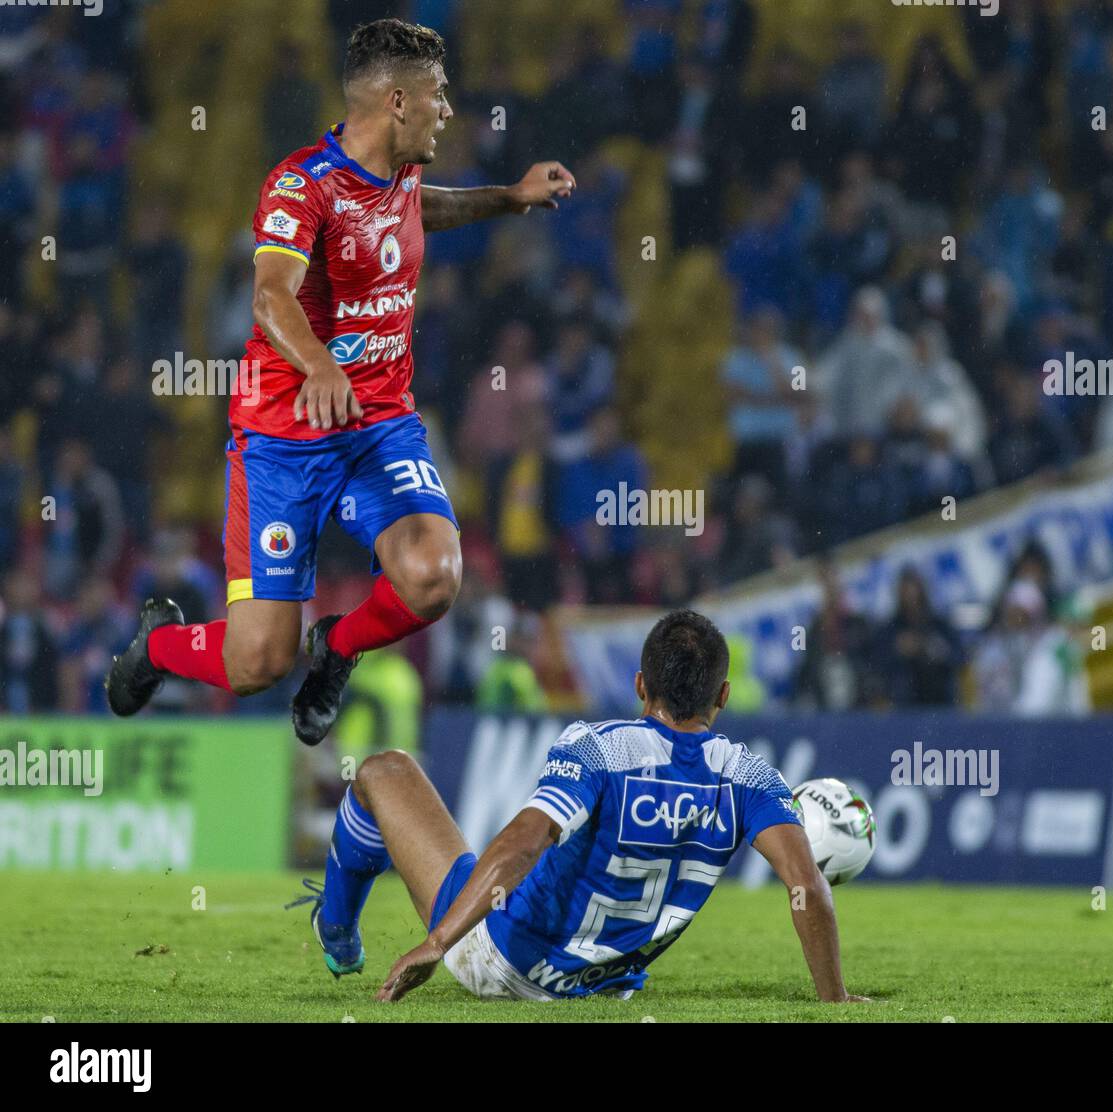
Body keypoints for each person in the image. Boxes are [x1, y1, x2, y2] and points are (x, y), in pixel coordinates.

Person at [105, 18, 576, 745]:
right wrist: (320, 364)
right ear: (396, 101)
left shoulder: (402, 177)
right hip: (283, 439)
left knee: (434, 575)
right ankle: (157, 646)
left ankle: (341, 648)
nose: (448, 109)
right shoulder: (301, 186)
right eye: (439, 95)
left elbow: (420, 212)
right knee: (259, 659)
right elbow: (270, 296)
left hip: (377, 424)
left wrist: (509, 197)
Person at [291, 609, 868, 1005]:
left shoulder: (599, 748)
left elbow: (525, 840)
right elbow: (807, 885)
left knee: (383, 770)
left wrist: (437, 943)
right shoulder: (749, 775)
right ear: (722, 695)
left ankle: (338, 932)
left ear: (642, 685)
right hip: (602, 984)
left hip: (500, 960)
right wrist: (834, 999)